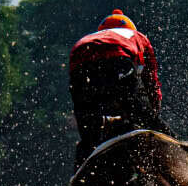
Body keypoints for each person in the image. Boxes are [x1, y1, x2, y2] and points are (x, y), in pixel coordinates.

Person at [68, 9, 168, 166]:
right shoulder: (138, 37)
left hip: (79, 62)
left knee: (89, 133)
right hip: (117, 59)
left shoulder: (93, 37)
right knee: (142, 114)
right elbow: (152, 81)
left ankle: (74, 182)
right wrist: (152, 111)